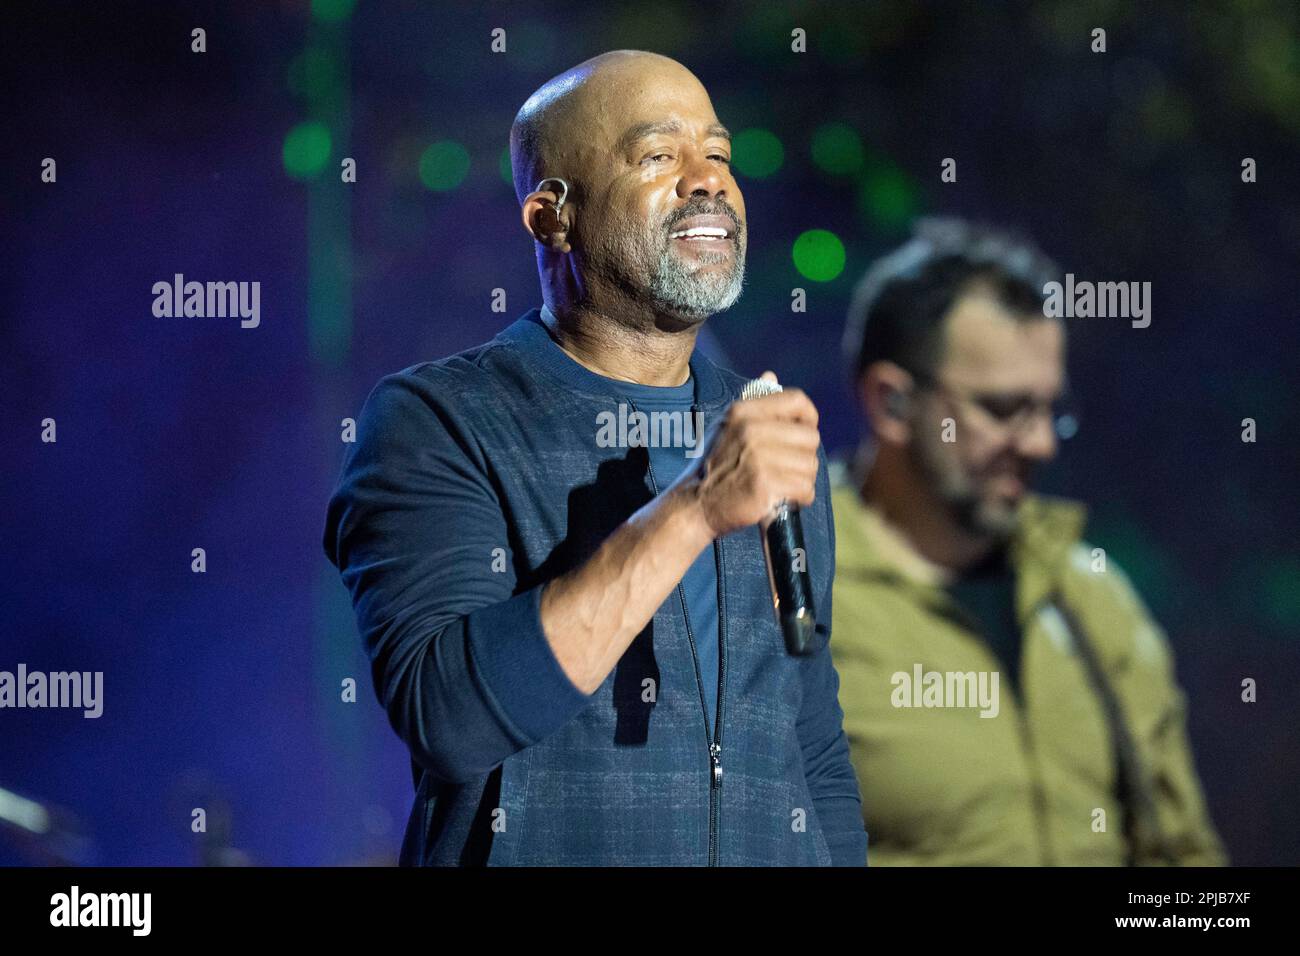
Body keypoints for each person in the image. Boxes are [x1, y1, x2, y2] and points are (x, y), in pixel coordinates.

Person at [323, 50, 866, 866]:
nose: (707, 179)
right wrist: (691, 511)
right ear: (551, 217)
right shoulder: (439, 421)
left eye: (718, 153)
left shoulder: (762, 426)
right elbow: (447, 718)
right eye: (658, 156)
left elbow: (811, 750)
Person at [831, 218, 1226, 865]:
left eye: (1048, 410)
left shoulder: (1089, 593)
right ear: (892, 404)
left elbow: (1182, 853)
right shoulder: (789, 597)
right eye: (1004, 409)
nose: (1040, 443)